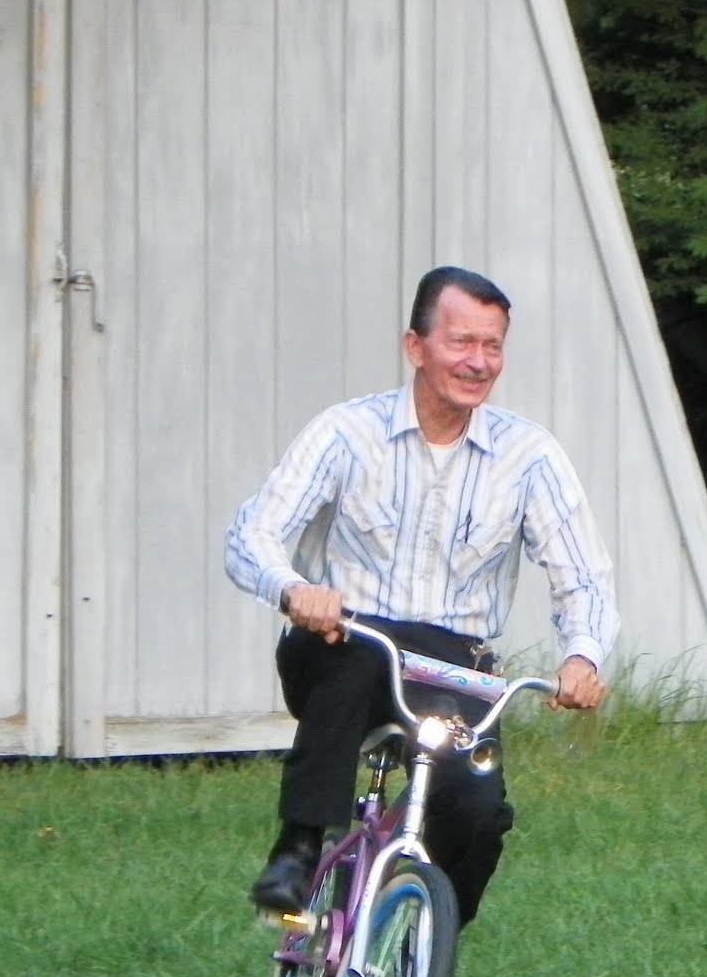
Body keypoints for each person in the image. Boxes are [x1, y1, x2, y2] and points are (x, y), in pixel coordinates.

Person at [224, 265, 619, 926]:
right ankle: (298, 847)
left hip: (450, 667)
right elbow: (252, 535)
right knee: (357, 656)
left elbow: (582, 575)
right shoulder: (346, 434)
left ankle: (418, 949)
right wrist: (294, 590)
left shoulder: (529, 456)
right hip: (344, 642)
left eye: (492, 345)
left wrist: (583, 655)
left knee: (478, 815)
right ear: (416, 346)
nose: (478, 362)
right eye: (461, 342)